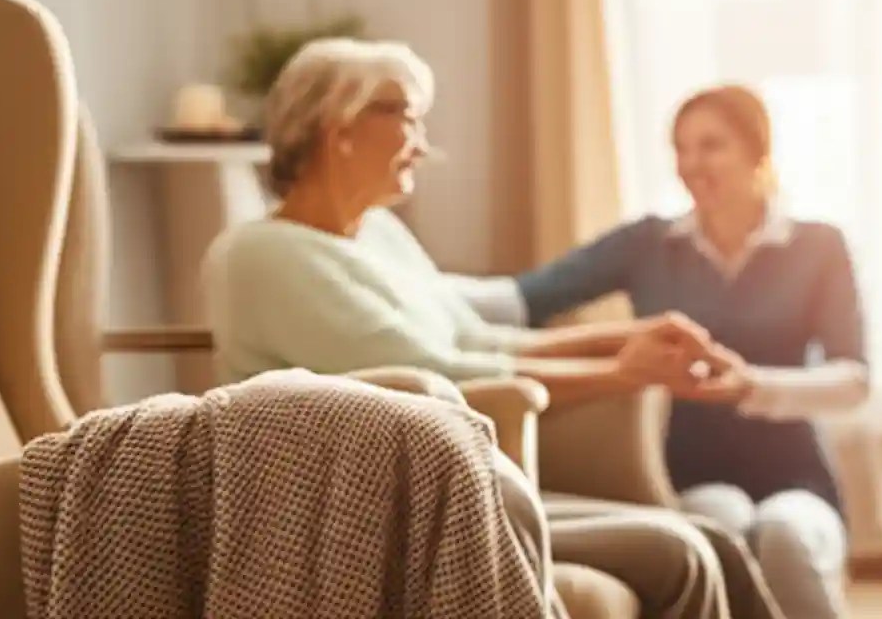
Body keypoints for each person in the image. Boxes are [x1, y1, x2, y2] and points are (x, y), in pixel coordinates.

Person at [203, 38, 739, 618]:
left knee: (714, 542)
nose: (422, 145)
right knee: (678, 553)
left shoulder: (377, 234)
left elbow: (478, 341)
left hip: (451, 489)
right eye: (407, 117)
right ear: (341, 128)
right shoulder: (264, 256)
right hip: (377, 513)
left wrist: (625, 338)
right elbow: (438, 376)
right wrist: (619, 373)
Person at [502, 85, 871, 618]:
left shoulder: (818, 246)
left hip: (795, 473)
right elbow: (523, 299)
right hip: (686, 472)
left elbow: (853, 378)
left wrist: (753, 386)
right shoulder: (649, 244)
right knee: (726, 530)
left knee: (783, 534)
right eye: (681, 149)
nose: (691, 164)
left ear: (758, 151)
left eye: (710, 146)